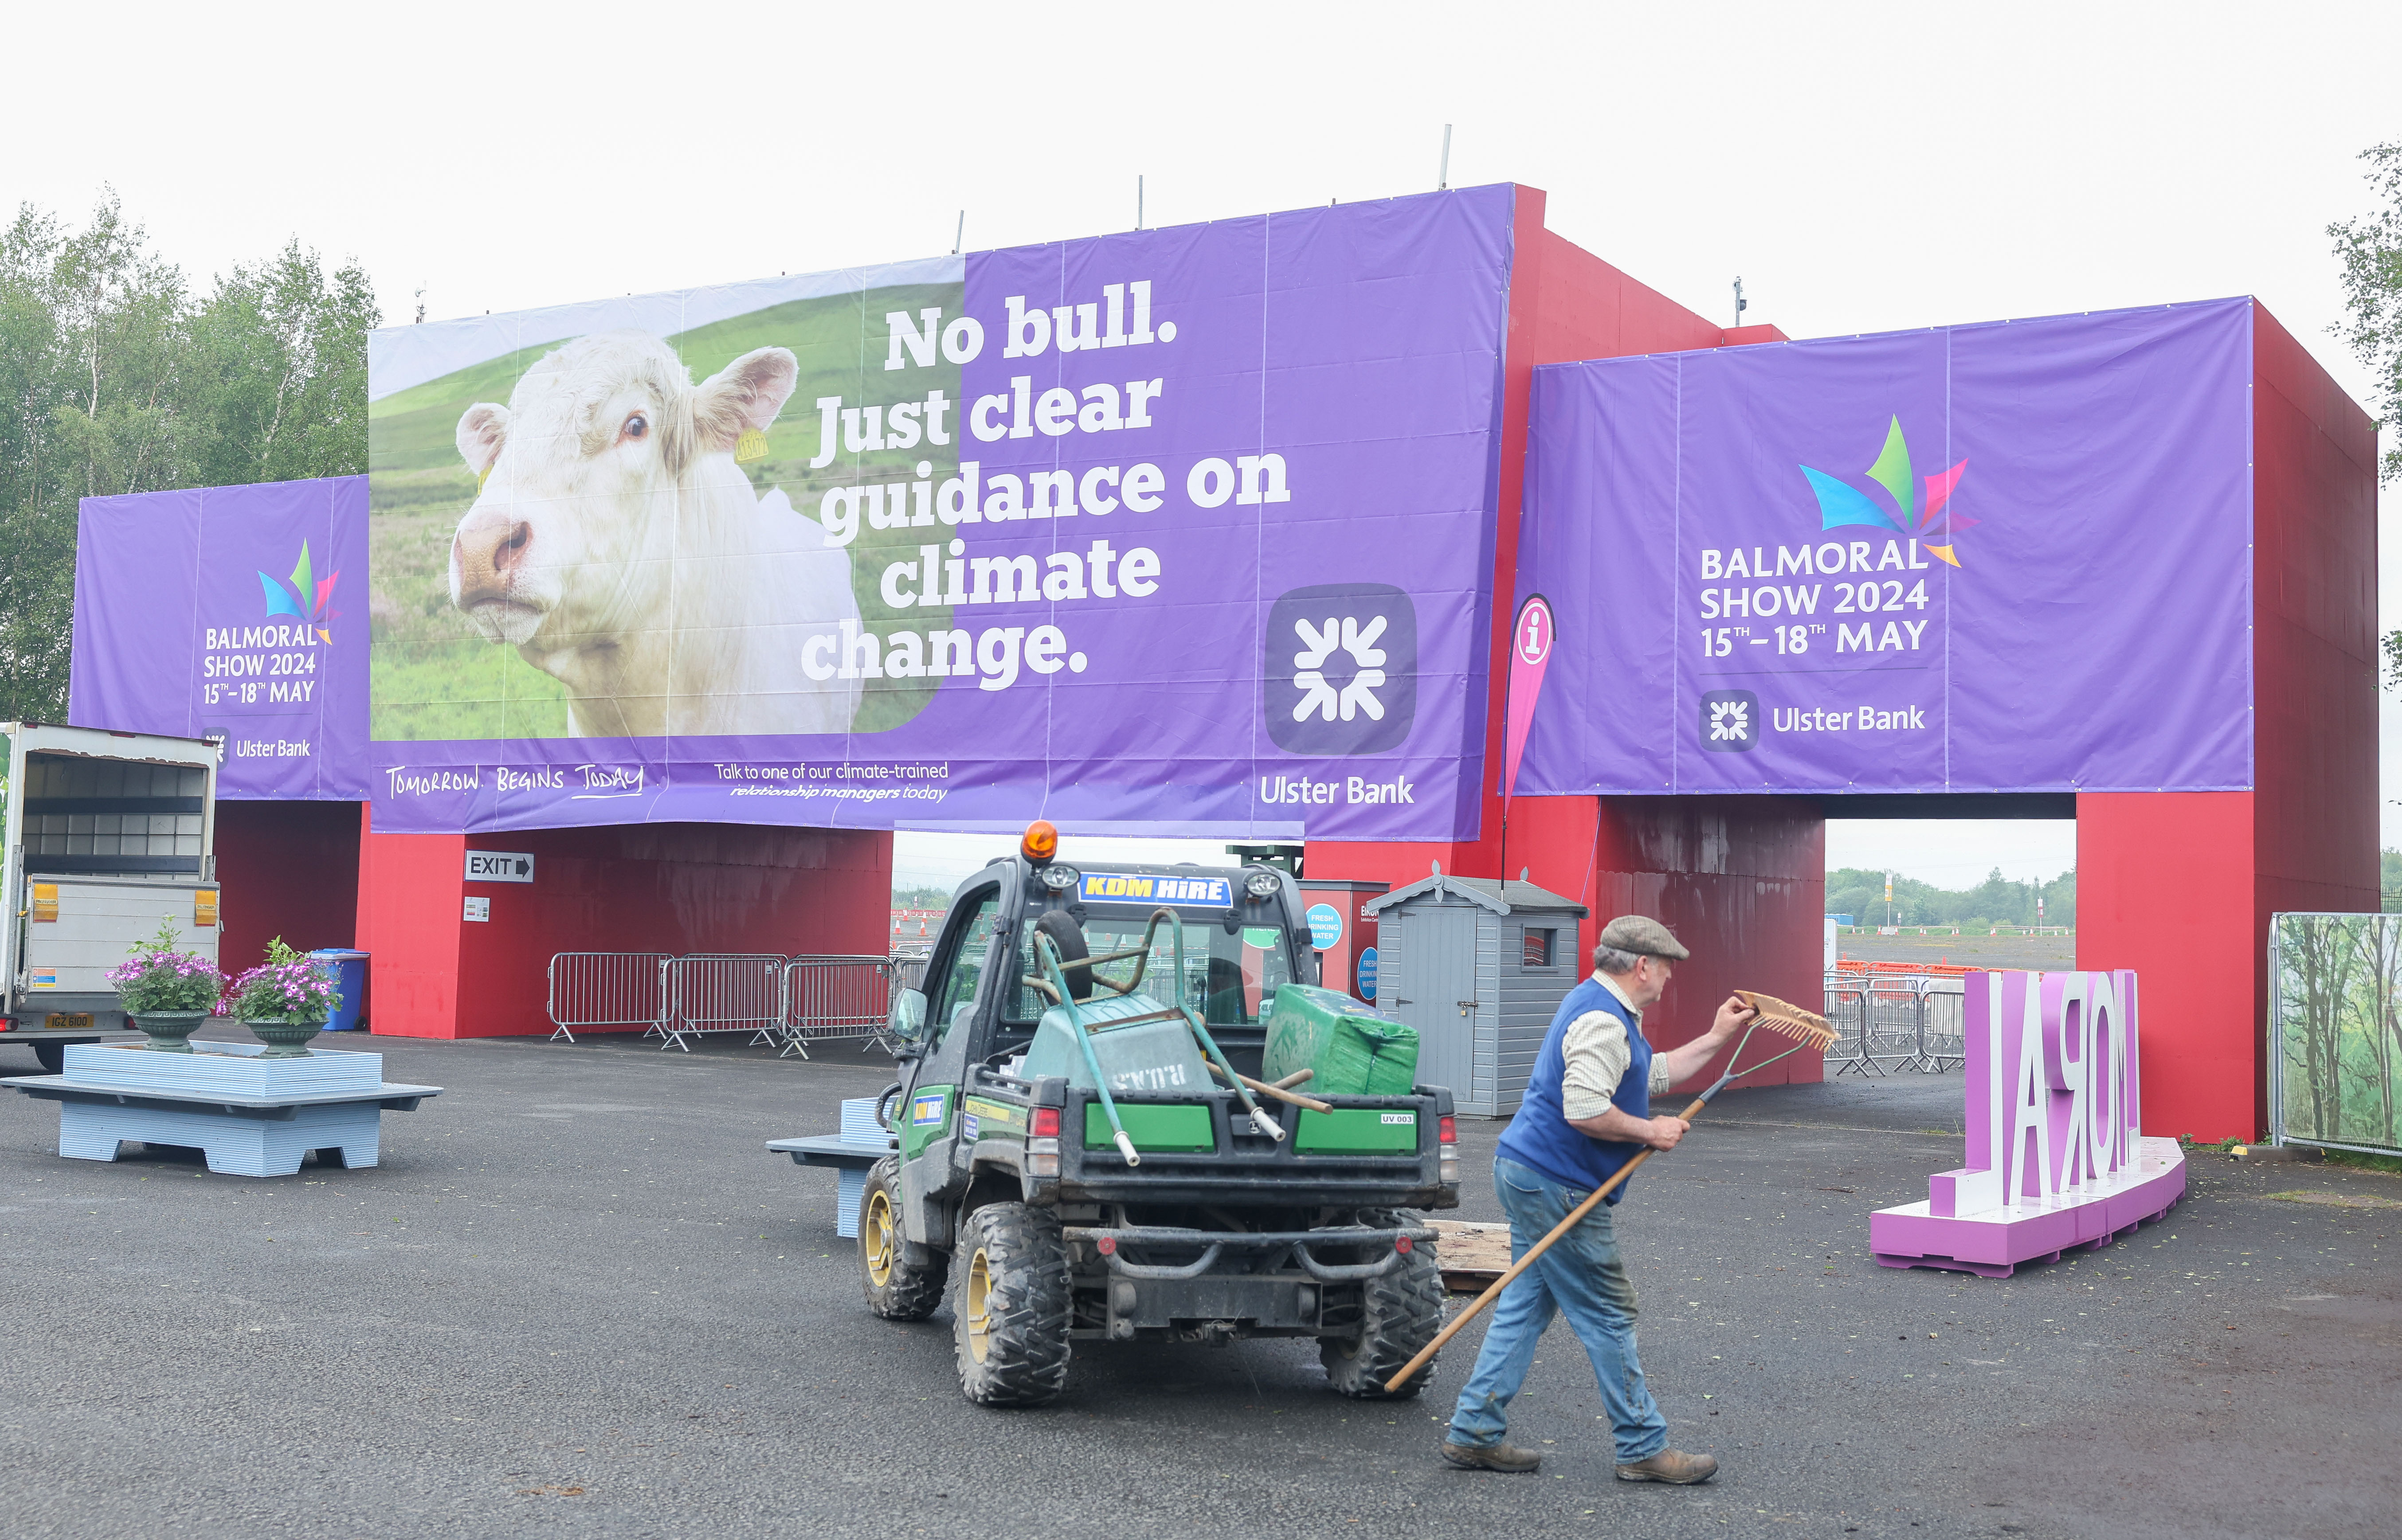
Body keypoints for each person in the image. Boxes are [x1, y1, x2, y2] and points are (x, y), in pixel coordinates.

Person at [1439, 914, 1754, 1485]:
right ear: (1642, 967)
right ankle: (1640, 1445)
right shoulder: (1603, 1021)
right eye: (1666, 968)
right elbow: (1584, 1109)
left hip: (1528, 1171)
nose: (1669, 979)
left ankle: (1473, 1432)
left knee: (1525, 1306)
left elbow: (1647, 1075)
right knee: (1607, 1310)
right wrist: (1650, 1131)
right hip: (1555, 1181)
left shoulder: (1601, 1005)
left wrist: (1716, 1037)